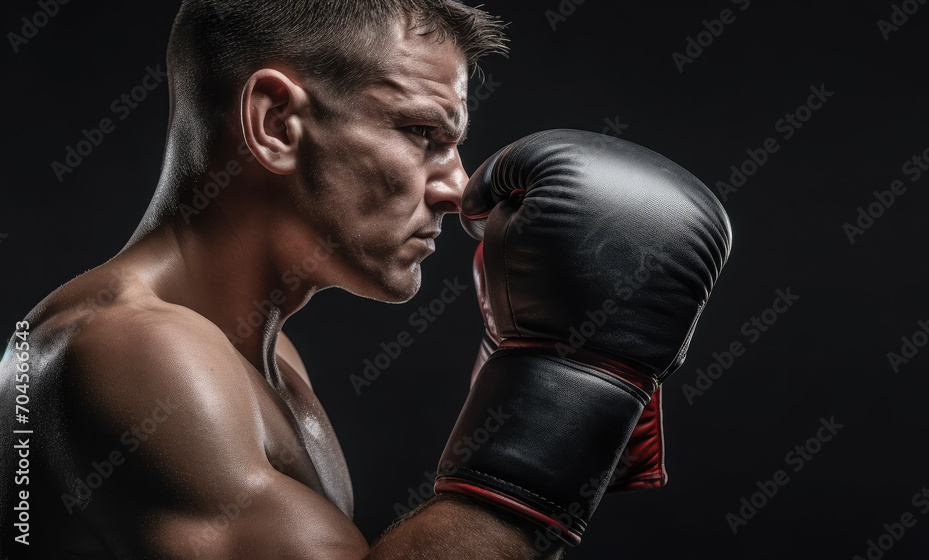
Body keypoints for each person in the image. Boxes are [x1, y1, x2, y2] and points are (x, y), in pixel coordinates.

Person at [0, 1, 732, 558]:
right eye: (422, 134)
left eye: (456, 143)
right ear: (276, 122)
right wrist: (564, 387)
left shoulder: (264, 352)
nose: (458, 188)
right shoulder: (133, 350)